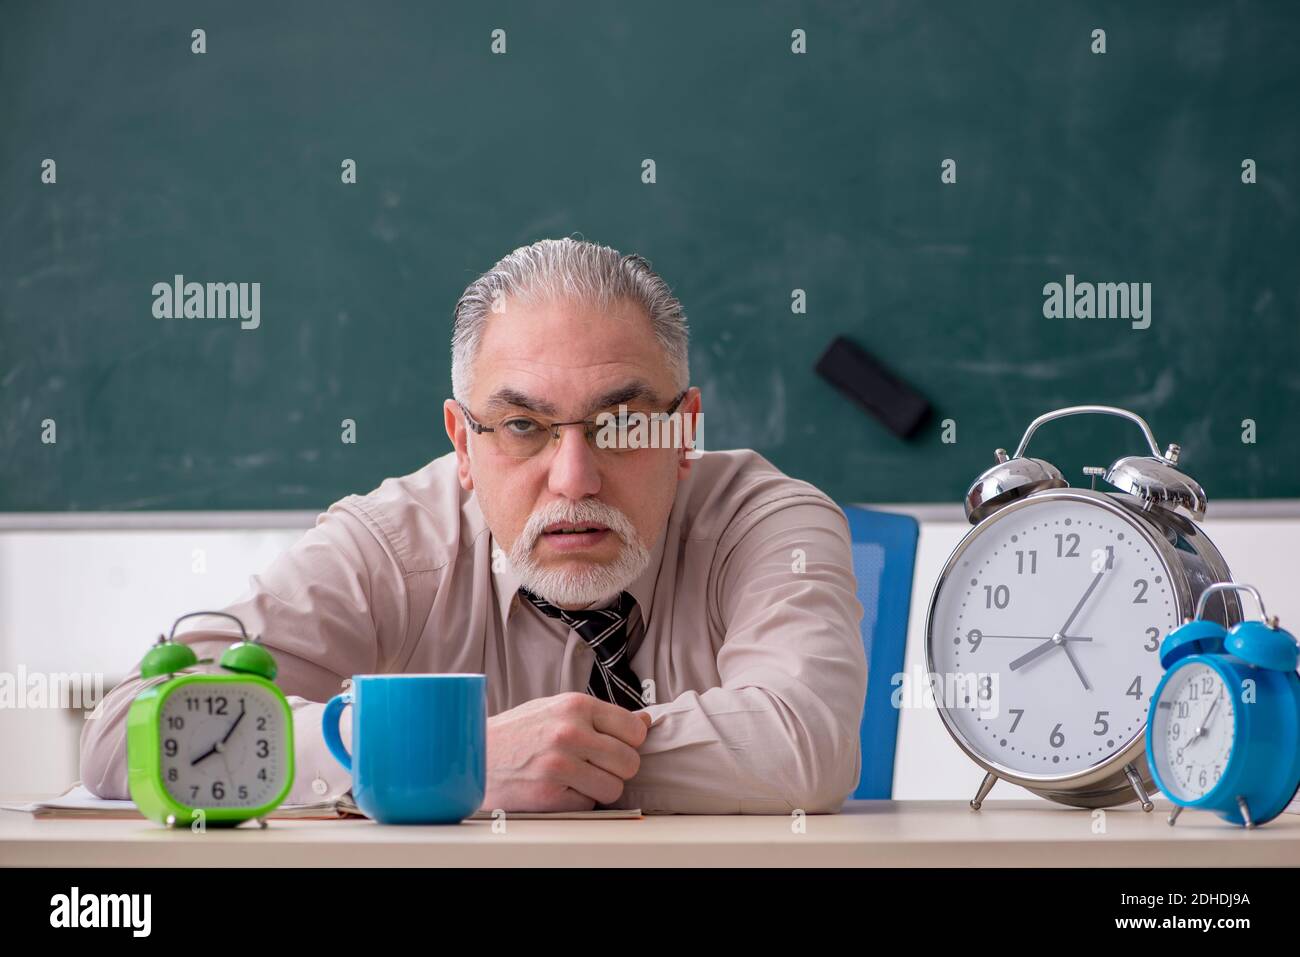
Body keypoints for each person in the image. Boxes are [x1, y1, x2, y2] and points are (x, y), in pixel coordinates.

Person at [80, 237, 867, 814]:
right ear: (462, 443)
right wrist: (439, 758)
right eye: (523, 425)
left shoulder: (770, 522)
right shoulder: (393, 544)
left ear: (684, 431)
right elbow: (127, 733)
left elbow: (806, 745)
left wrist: (505, 765)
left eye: (622, 424)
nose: (575, 478)